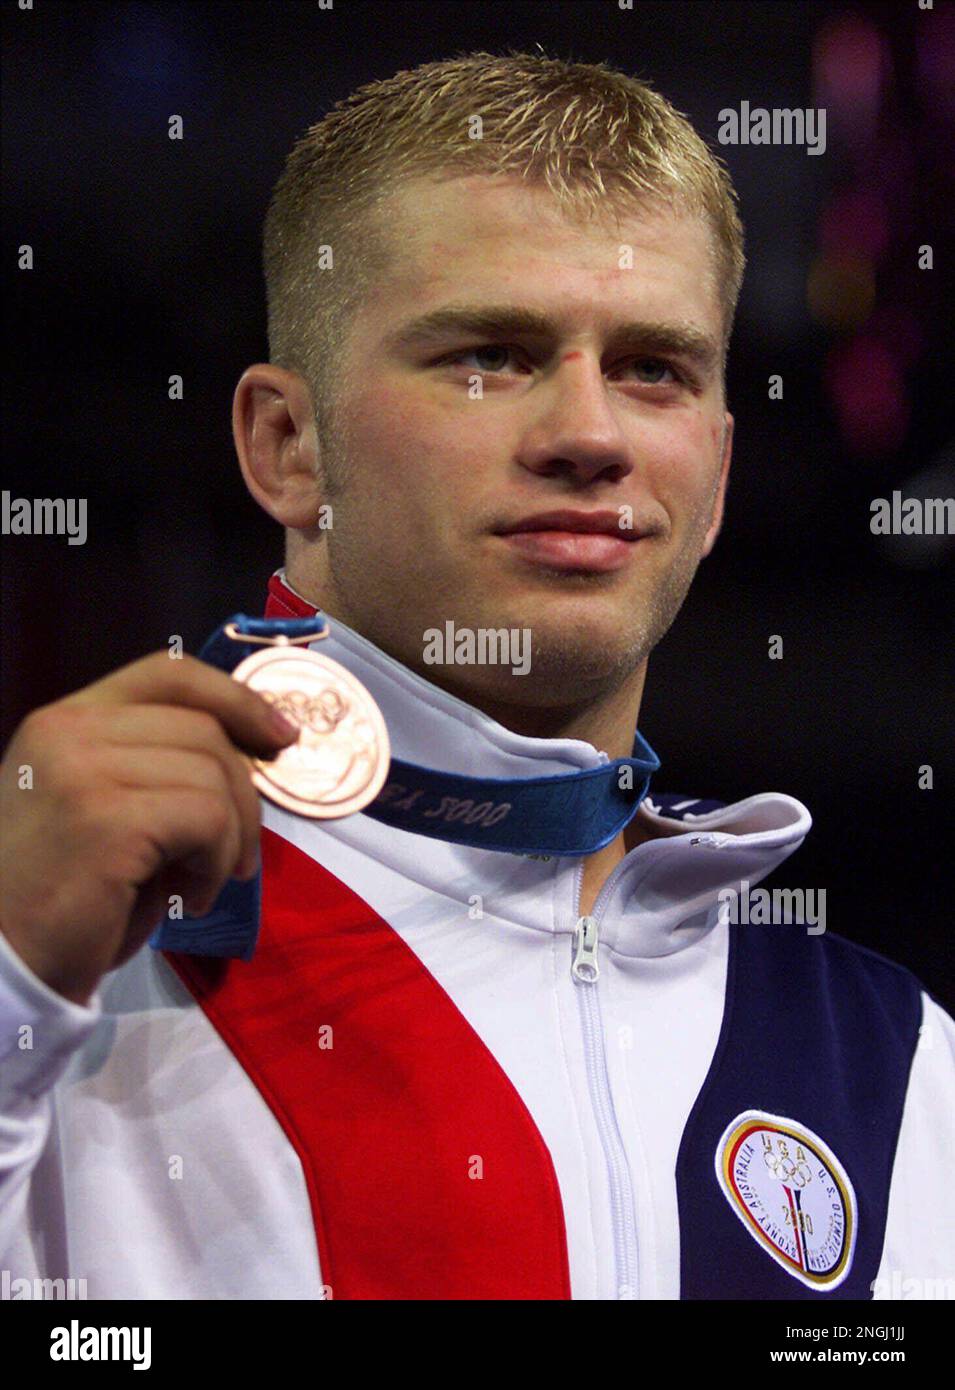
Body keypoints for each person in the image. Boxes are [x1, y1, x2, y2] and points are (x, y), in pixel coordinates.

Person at [1, 51, 952, 1303]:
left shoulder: (896, 1063)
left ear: (715, 477)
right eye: (489, 355)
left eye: (652, 368)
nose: (589, 435)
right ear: (288, 448)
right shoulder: (72, 938)